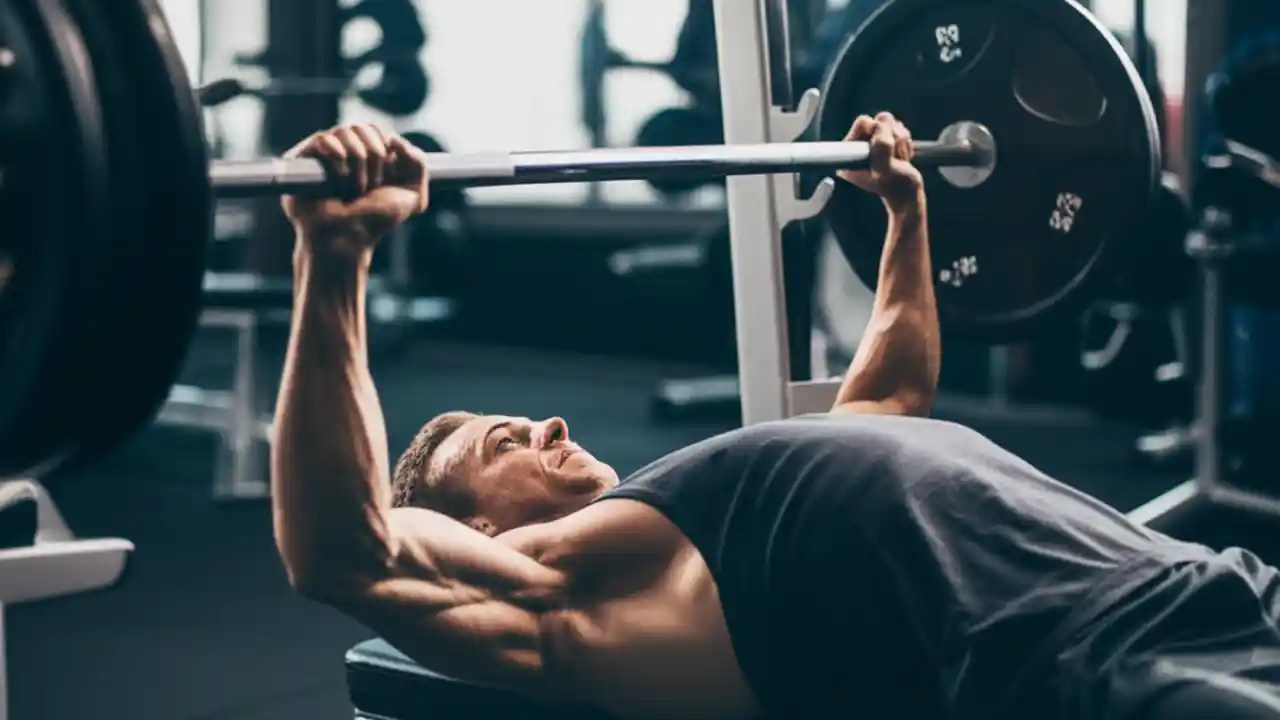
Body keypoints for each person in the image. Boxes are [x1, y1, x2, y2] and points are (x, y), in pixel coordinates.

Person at [271, 115, 1280, 720]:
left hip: (1207, 585)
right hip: (1100, 669)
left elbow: (887, 405)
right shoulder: (568, 593)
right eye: (502, 444)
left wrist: (905, 211)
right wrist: (335, 259)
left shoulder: (719, 509)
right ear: (477, 529)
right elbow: (340, 554)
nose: (542, 425)